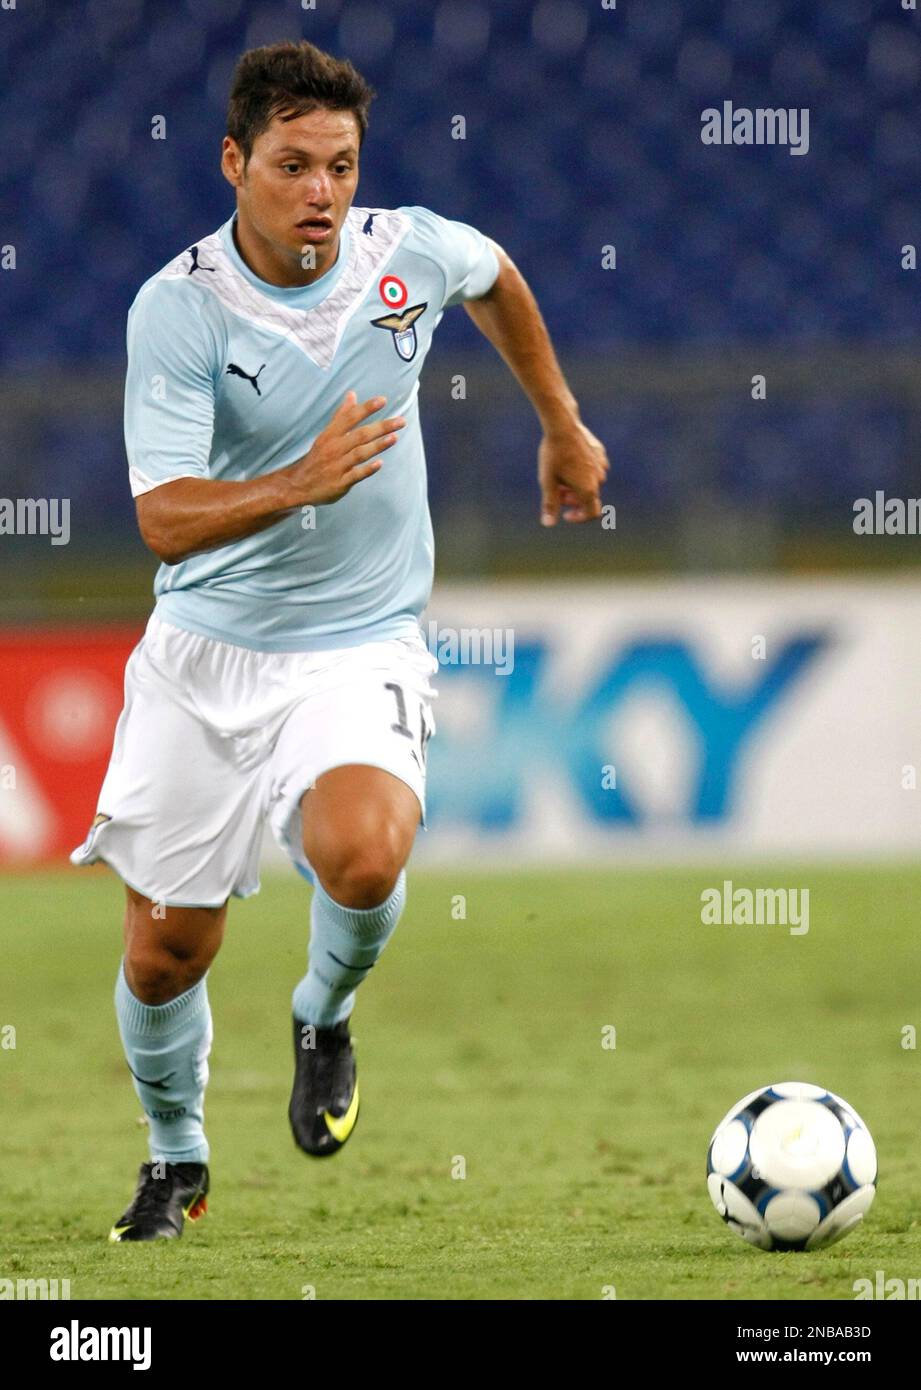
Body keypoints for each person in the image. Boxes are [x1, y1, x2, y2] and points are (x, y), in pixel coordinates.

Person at [72, 38, 608, 1242]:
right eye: (292, 164)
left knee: (363, 854)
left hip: (359, 638)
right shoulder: (180, 308)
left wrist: (562, 426)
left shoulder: (404, 251)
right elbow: (163, 520)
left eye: (341, 166)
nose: (321, 190)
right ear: (233, 162)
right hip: (207, 653)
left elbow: (499, 275)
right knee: (165, 955)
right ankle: (178, 1160)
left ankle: (323, 1012)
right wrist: (300, 482)